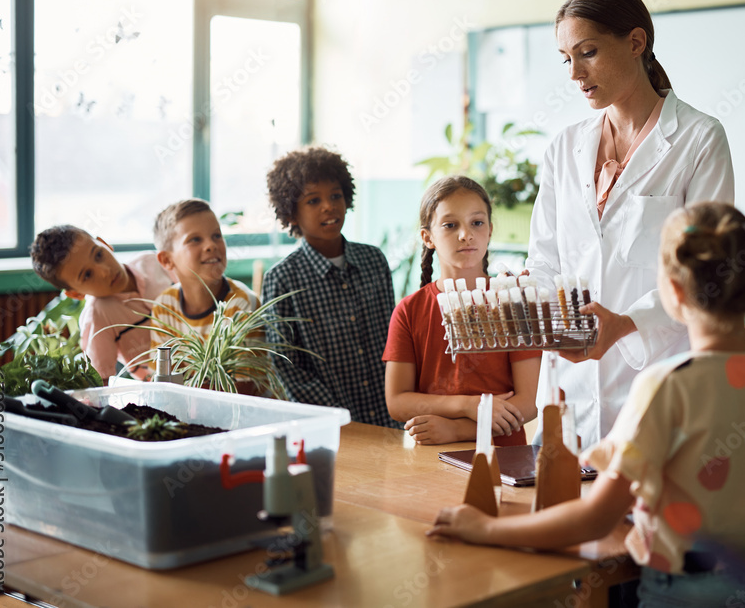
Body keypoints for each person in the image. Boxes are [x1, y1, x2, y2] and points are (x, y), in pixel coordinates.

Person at [430, 202, 745, 606]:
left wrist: (484, 528)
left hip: (679, 594)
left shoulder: (666, 385)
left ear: (671, 291)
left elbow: (594, 519)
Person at [526, 0, 735, 450]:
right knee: (562, 510)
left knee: (642, 516)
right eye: (567, 59)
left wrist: (623, 323)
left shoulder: (699, 139)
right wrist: (530, 303)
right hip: (569, 386)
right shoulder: (565, 146)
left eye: (589, 52)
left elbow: (706, 271)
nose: (576, 74)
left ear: (636, 43)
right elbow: (544, 259)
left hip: (659, 374)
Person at [384, 176, 540, 446]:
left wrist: (458, 431)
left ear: (490, 230)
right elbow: (397, 402)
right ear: (427, 237)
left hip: (504, 459)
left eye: (476, 223)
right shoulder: (408, 311)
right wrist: (468, 406)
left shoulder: (515, 303)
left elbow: (529, 403)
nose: (465, 234)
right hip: (429, 461)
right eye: (450, 225)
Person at [262, 146, 399, 427]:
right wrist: (337, 418)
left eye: (336, 195)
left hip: (389, 417)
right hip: (330, 427)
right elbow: (286, 366)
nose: (329, 206)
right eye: (313, 201)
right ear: (291, 214)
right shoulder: (283, 278)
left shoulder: (374, 260)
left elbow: (393, 340)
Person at [30, 224, 173, 383]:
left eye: (98, 255)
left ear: (104, 243)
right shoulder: (98, 317)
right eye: (88, 275)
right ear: (76, 294)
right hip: (166, 392)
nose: (105, 271)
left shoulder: (152, 262)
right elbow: (101, 382)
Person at [149, 198, 258, 356]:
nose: (211, 245)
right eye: (195, 239)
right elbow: (161, 377)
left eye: (216, 236)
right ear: (166, 260)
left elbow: (245, 380)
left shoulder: (241, 305)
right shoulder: (164, 307)